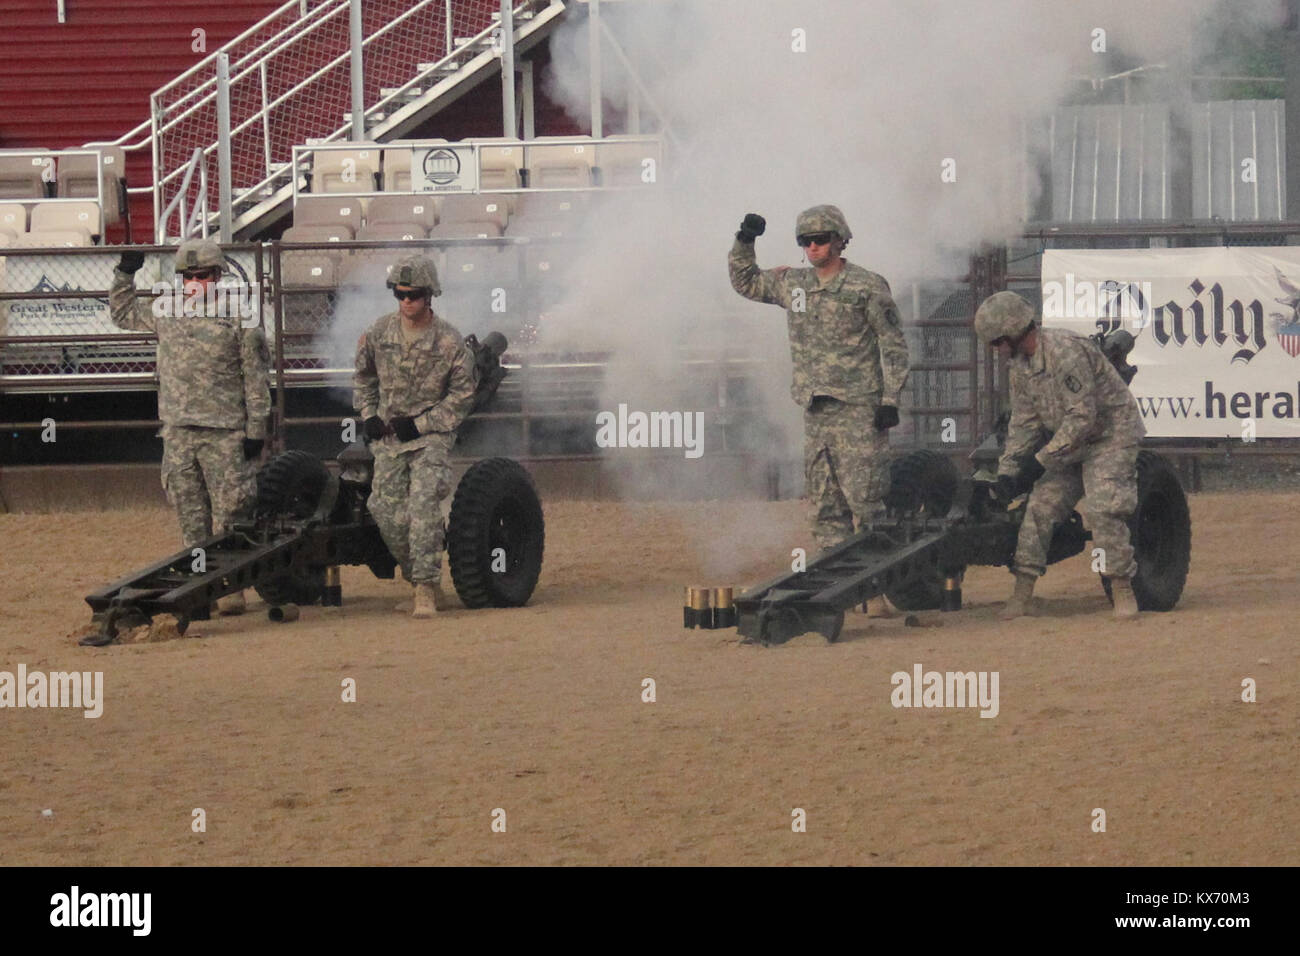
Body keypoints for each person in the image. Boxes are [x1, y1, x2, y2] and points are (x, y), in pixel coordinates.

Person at [728, 204, 910, 616]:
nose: (812, 247)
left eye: (820, 239)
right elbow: (745, 282)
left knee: (866, 503)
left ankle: (878, 592)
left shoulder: (866, 286)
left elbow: (893, 344)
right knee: (826, 507)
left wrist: (890, 400)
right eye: (805, 241)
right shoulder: (794, 285)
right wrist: (745, 240)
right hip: (816, 411)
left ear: (840, 239)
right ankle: (843, 591)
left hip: (859, 409)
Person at [112, 238, 270, 616]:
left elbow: (256, 379)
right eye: (189, 275)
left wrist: (256, 431)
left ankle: (233, 588)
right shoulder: (165, 310)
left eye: (204, 275)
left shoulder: (240, 317)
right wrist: (125, 273)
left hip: (225, 432)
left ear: (218, 276)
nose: (196, 281)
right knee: (191, 518)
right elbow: (122, 313)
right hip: (179, 432)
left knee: (231, 516)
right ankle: (201, 590)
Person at [973, 291, 1145, 619]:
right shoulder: (1020, 368)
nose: (996, 351)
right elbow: (1023, 424)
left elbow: (1083, 417)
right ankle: (1023, 593)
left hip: (1109, 437)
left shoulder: (1065, 352)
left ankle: (1121, 588)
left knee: (1104, 507)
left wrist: (1039, 463)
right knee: (1039, 508)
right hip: (1067, 444)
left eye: (997, 343)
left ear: (1012, 332)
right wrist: (1008, 475)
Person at [353, 255, 478, 619]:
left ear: (430, 295)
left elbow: (462, 397)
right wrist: (369, 415)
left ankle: (425, 587)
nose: (407, 301)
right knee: (384, 511)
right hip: (390, 440)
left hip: (430, 439)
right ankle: (418, 577)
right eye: (400, 293)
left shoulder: (450, 341)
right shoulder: (378, 333)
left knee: (423, 506)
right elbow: (363, 379)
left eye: (415, 294)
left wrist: (422, 424)